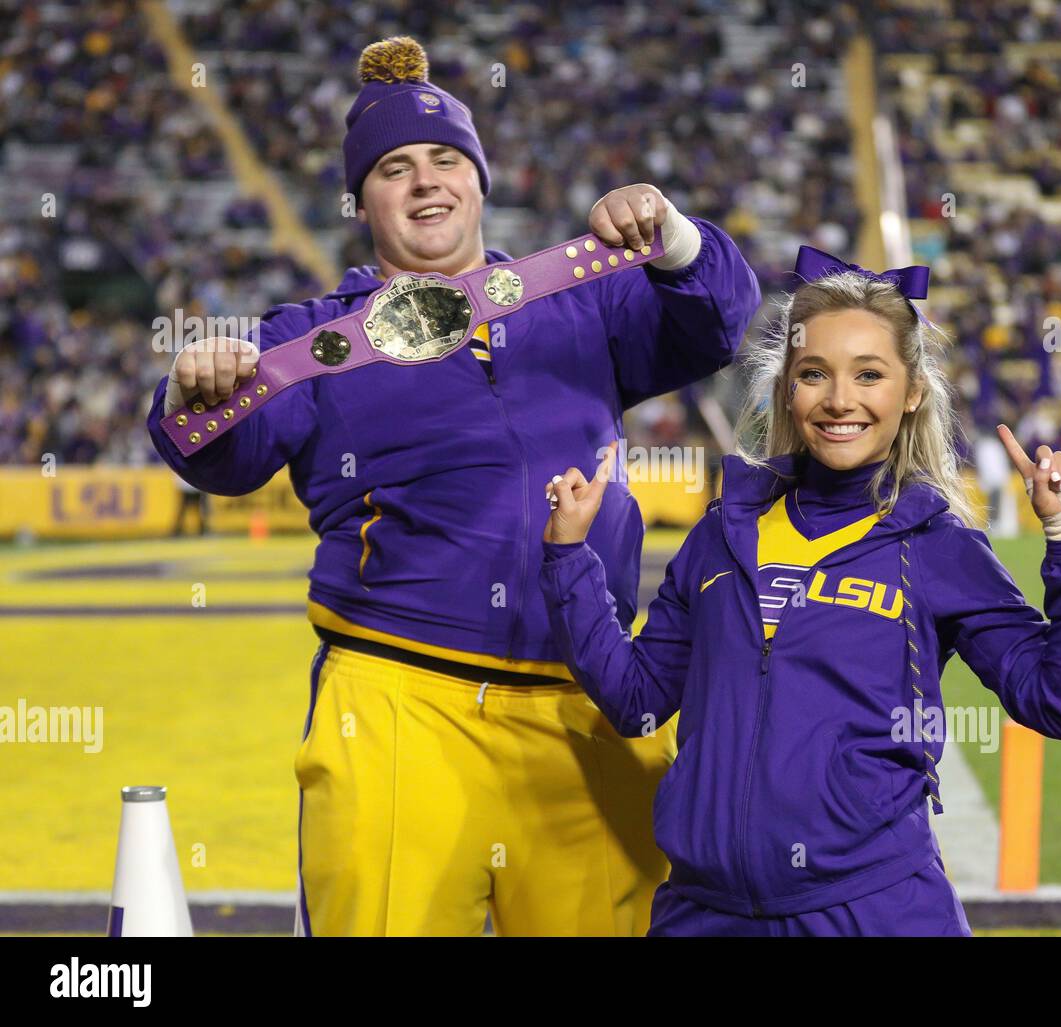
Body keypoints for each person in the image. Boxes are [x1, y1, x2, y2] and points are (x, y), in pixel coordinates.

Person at [144, 36, 762, 936]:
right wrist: (186, 388)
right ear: (360, 200)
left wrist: (671, 234)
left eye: (445, 160)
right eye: (395, 168)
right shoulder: (317, 337)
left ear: (479, 180)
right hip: (401, 706)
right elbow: (222, 456)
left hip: (587, 704)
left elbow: (720, 320)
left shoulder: (578, 296)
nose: (427, 181)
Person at [538, 249, 1061, 936]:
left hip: (873, 911)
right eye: (814, 374)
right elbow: (636, 700)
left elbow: (1060, 699)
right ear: (788, 389)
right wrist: (569, 557)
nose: (840, 400)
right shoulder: (723, 531)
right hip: (706, 913)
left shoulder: (937, 544)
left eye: (869, 374)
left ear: (911, 392)